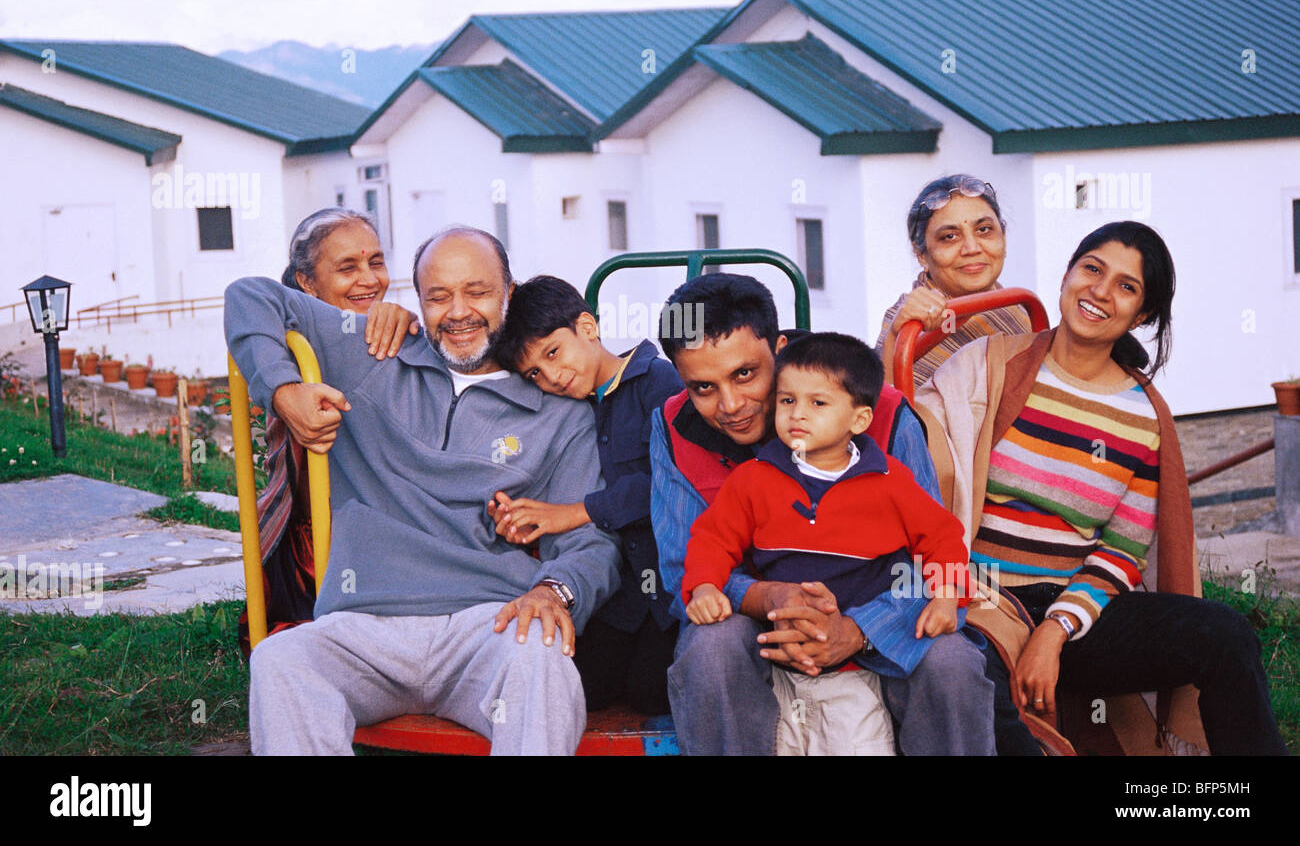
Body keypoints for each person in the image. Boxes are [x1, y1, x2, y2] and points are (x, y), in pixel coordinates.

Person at [225, 226, 620, 755]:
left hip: (489, 626)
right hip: (365, 624)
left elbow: (591, 541)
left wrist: (556, 591)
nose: (458, 312)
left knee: (543, 660)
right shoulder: (369, 352)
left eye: (477, 292)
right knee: (281, 660)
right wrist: (283, 391)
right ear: (417, 302)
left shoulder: (558, 409)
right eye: (437, 296)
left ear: (508, 291)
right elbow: (250, 296)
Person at [915, 220, 1287, 755]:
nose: (1100, 292)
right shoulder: (990, 364)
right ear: (1067, 274)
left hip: (1075, 611)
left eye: (1126, 286)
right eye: (1092, 269)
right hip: (981, 596)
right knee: (967, 676)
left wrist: (1055, 631)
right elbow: (904, 435)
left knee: (1224, 636)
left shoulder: (1143, 416)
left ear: (1143, 315)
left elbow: (1123, 550)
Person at [649, 273, 996, 756]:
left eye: (746, 374)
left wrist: (857, 631)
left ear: (780, 348)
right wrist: (770, 597)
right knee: (709, 648)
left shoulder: (879, 411)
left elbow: (932, 550)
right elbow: (682, 566)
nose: (730, 405)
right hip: (759, 627)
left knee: (951, 661)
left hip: (880, 613)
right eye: (703, 387)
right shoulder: (672, 427)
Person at [489, 275, 683, 715]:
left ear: (588, 327)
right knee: (580, 688)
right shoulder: (571, 411)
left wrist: (574, 513)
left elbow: (672, 482)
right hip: (618, 595)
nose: (552, 376)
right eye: (534, 372)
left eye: (554, 352)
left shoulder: (659, 382)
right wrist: (517, 513)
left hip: (671, 589)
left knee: (651, 691)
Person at [238, 207, 421, 657]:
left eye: (376, 263)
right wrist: (284, 392)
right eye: (347, 267)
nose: (369, 279)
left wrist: (407, 321)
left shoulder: (388, 331)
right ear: (305, 282)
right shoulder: (295, 344)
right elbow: (246, 296)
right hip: (320, 554)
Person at [876, 175, 1031, 388]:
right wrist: (896, 337)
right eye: (950, 236)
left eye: (984, 230)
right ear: (921, 254)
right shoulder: (907, 324)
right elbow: (885, 410)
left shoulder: (1017, 309)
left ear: (1003, 236)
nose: (972, 248)